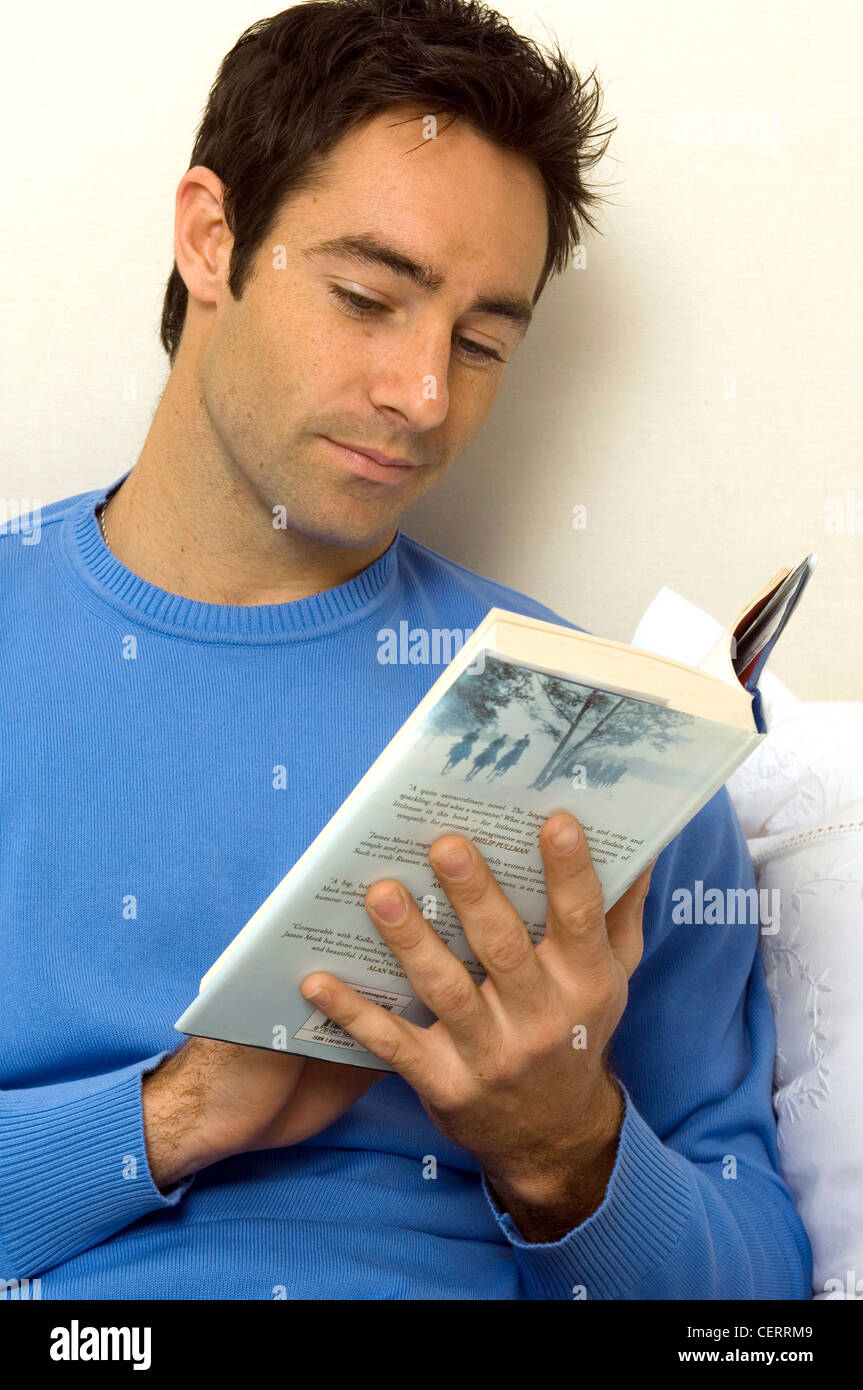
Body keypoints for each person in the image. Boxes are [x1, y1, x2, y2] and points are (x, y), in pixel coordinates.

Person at [0, 0, 811, 1300]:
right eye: (368, 298)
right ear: (212, 237)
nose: (426, 395)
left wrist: (568, 1155)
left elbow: (758, 1307)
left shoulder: (612, 740)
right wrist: (183, 1111)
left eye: (484, 342)